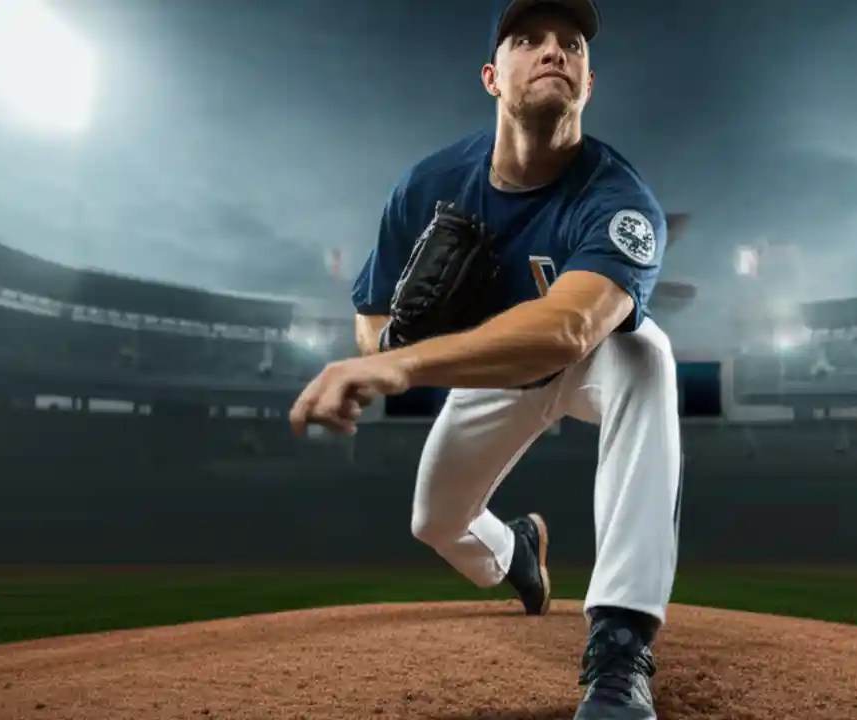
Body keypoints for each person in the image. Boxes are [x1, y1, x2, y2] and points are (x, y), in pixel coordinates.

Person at [289, 1, 681, 717]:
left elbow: (568, 331)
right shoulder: (428, 185)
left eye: (571, 44)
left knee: (648, 360)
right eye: (528, 40)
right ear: (491, 78)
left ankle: (621, 644)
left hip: (589, 360)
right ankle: (517, 554)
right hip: (492, 373)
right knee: (435, 521)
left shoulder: (621, 200)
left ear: (589, 83)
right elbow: (374, 319)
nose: (553, 51)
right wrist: (391, 345)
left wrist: (403, 365)